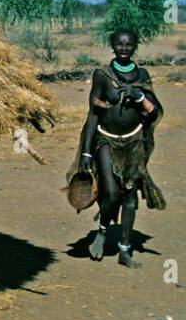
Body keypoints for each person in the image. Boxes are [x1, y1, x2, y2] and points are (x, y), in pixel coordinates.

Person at [71, 29, 166, 267]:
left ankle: (125, 250)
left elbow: (153, 112)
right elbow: (93, 115)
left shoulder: (142, 75)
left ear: (135, 46)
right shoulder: (102, 75)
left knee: (130, 196)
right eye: (119, 44)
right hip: (106, 140)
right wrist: (86, 151)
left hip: (133, 143)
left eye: (129, 44)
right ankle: (103, 232)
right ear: (112, 46)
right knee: (112, 193)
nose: (124, 48)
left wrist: (138, 97)